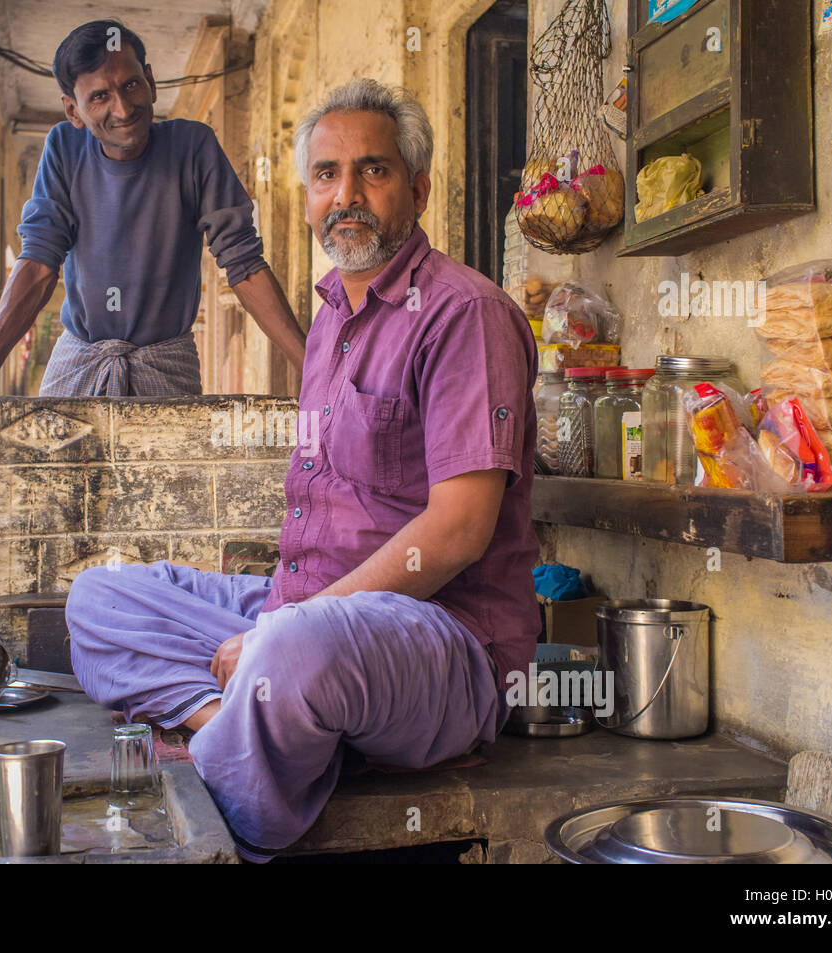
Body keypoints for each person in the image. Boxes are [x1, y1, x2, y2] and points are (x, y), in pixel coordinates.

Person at [65, 79, 540, 861]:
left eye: (373, 172)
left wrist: (284, 630)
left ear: (418, 189)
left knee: (295, 654)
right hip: (300, 612)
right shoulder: (329, 323)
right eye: (326, 175)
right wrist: (281, 618)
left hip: (442, 642)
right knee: (98, 598)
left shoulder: (465, 314)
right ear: (308, 196)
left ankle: (221, 805)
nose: (345, 194)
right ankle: (235, 721)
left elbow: (457, 531)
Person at [0, 19, 306, 405]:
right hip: (80, 360)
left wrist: (312, 370)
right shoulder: (64, 148)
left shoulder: (193, 146)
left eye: (130, 84)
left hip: (167, 366)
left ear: (149, 81)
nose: (122, 107)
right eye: (99, 96)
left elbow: (243, 263)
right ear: (73, 111)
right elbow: (39, 262)